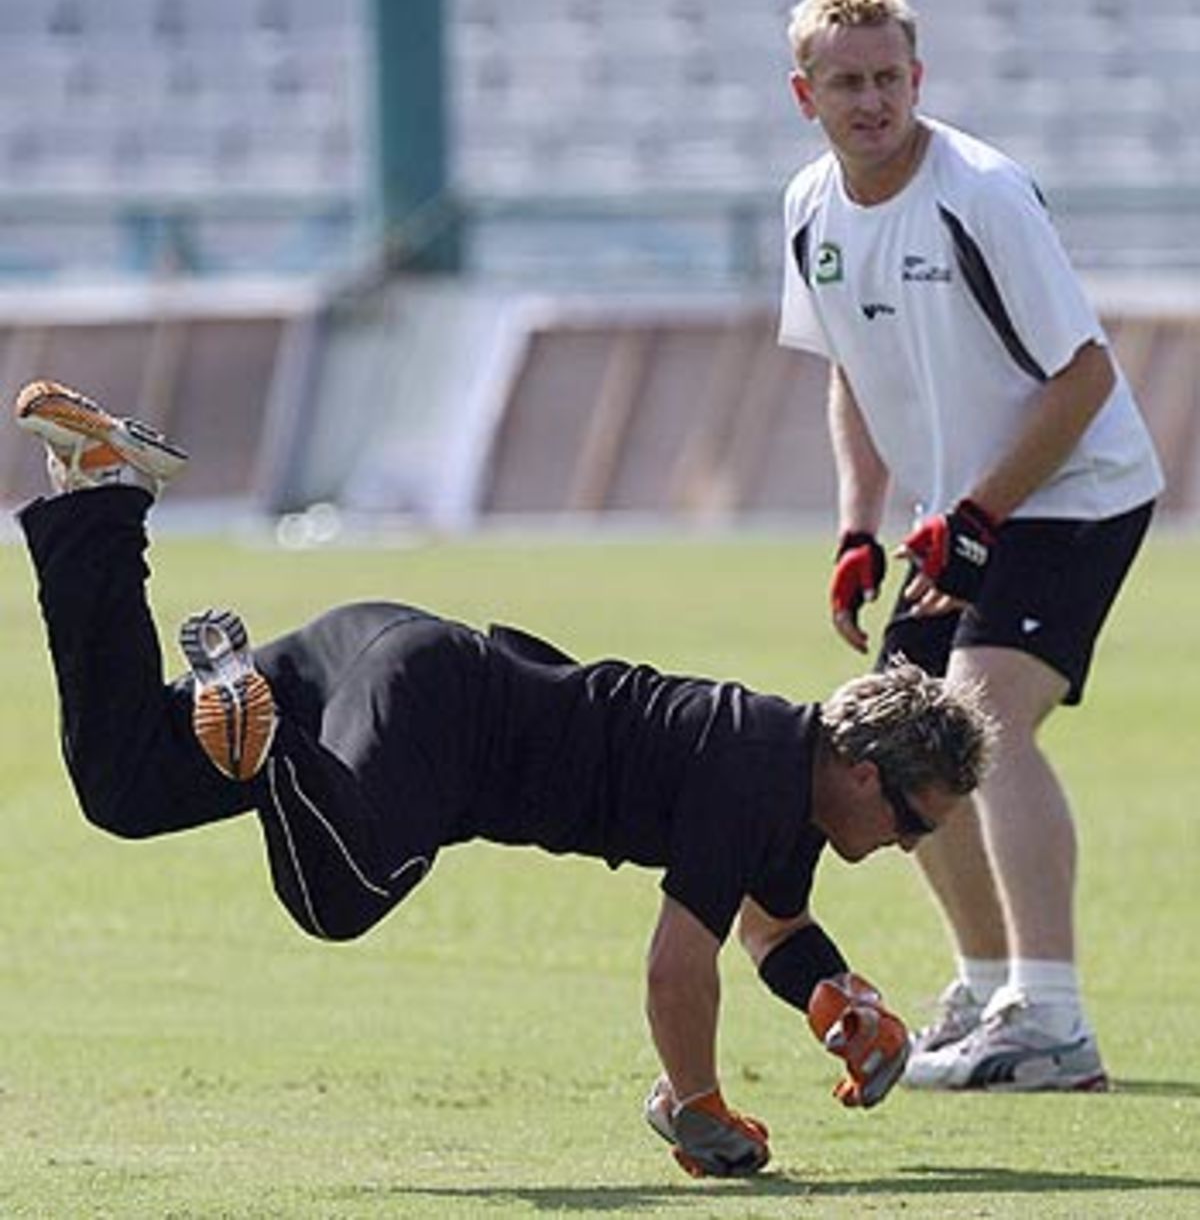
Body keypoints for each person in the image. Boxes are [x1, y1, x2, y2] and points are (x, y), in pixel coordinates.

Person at [15, 380, 993, 1177]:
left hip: (377, 644)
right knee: (340, 897)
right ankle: (266, 742)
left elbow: (770, 922)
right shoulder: (753, 780)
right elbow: (674, 970)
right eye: (915, 821)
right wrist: (696, 1108)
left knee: (128, 784)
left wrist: (839, 1005)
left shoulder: (783, 771)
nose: (910, 844)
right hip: (437, 713)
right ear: (865, 775)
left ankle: (101, 494)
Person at [777, 0, 1163, 1092]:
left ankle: (1053, 1019)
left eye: (888, 79)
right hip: (962, 512)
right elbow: (848, 369)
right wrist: (859, 522)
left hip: (1077, 487)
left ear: (919, 78)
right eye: (846, 83)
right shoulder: (810, 208)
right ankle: (989, 985)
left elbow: (1086, 373)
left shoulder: (981, 196)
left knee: (984, 712)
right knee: (897, 741)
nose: (872, 102)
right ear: (806, 96)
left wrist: (979, 518)